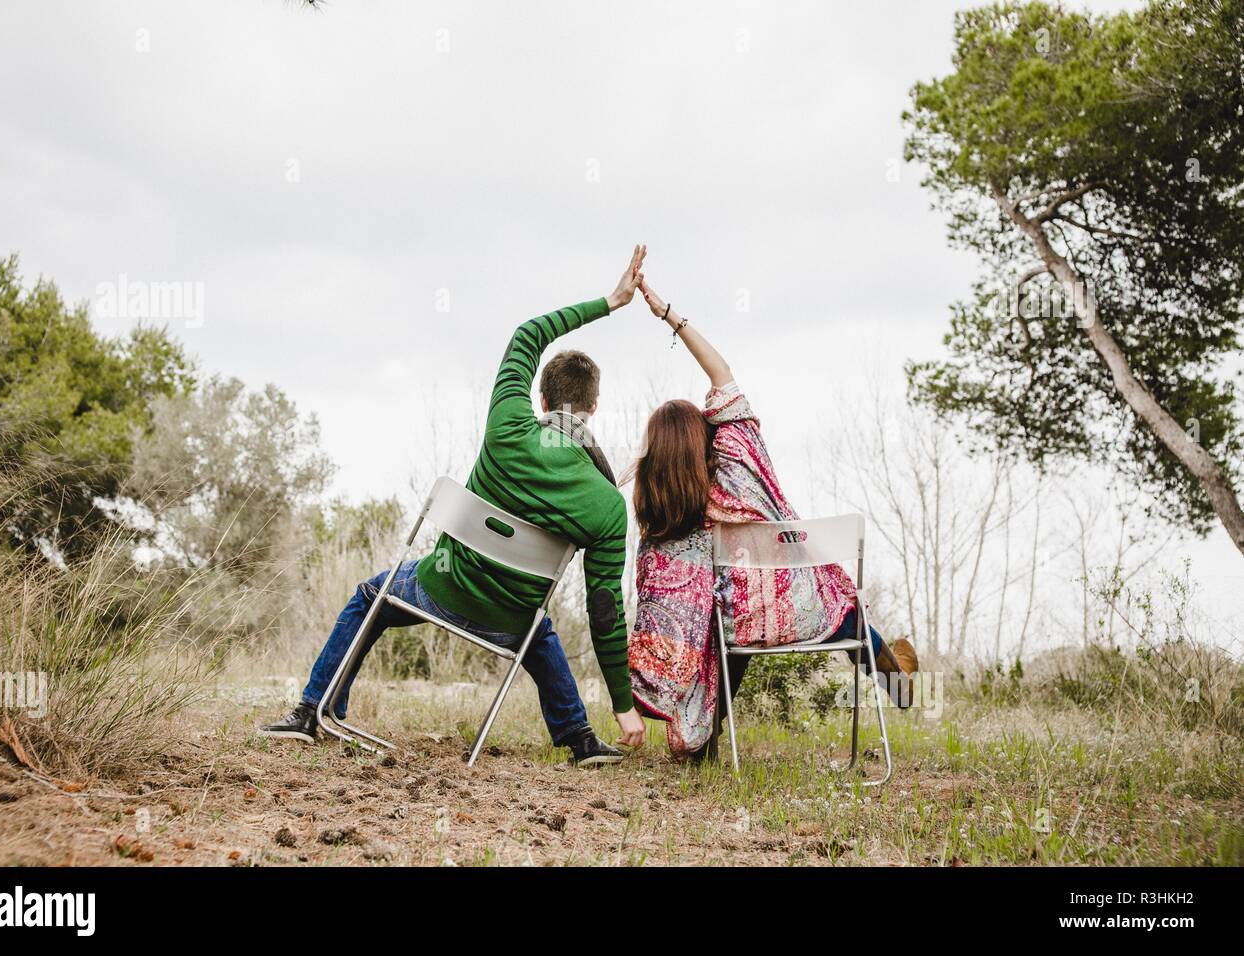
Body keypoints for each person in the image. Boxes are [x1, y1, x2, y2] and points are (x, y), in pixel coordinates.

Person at [261, 247, 649, 767]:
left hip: (442, 588)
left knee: (369, 597)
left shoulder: (507, 425)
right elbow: (605, 611)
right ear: (594, 408)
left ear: (538, 400)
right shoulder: (607, 504)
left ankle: (312, 711)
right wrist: (623, 707)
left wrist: (611, 300)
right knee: (537, 624)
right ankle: (580, 740)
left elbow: (528, 334)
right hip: (512, 620)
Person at [625, 276, 919, 758]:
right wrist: (670, 314)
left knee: (722, 624)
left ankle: (705, 742)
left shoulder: (665, 528)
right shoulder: (739, 467)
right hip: (806, 615)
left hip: (735, 630)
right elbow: (724, 378)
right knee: (845, 605)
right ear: (710, 439)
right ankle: (894, 674)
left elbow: (663, 616)